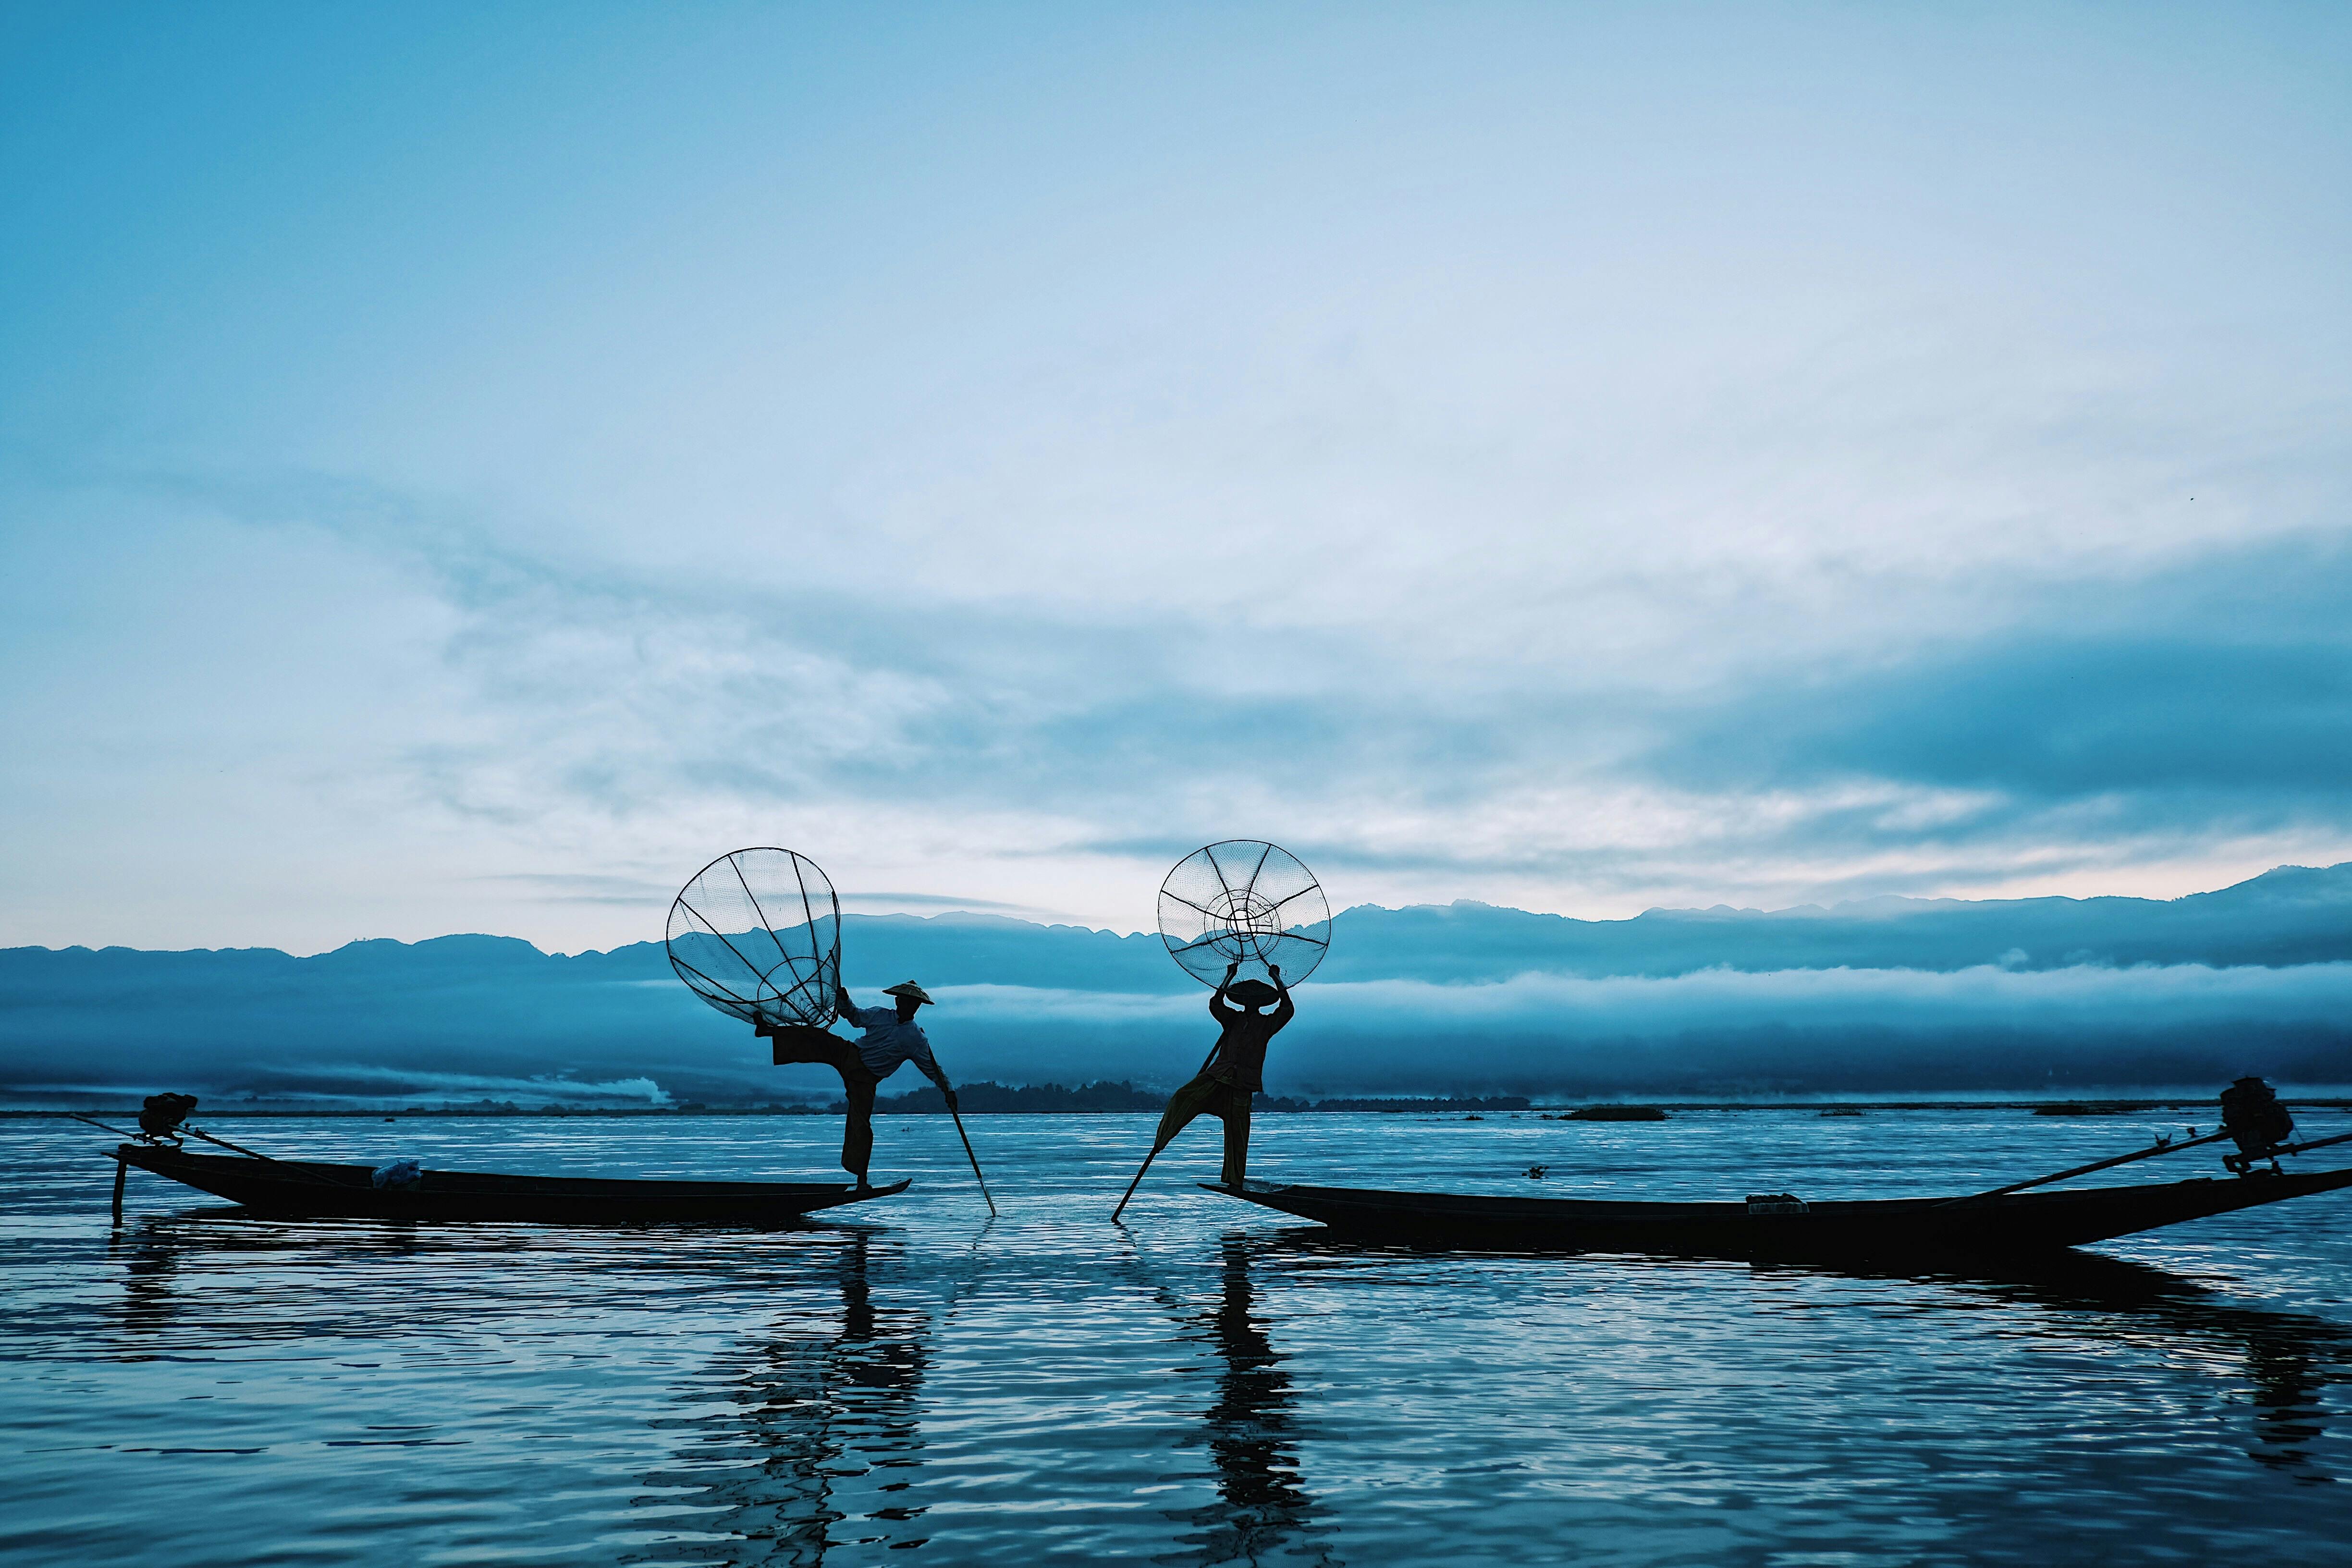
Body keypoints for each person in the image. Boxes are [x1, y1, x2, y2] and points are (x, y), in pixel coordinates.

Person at [758, 980, 958, 1188]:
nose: (908, 1006)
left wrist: (949, 1091)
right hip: (850, 1055)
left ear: (917, 1007)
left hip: (866, 1079)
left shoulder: (916, 1039)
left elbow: (933, 1069)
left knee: (861, 1126)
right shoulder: (880, 1015)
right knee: (818, 1037)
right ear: (898, 1001)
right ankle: (769, 1031)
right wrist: (845, 1001)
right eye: (905, 1001)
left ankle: (861, 1180)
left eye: (913, 1004)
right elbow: (855, 1017)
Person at [1149, 961, 1295, 1187]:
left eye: (1254, 1002)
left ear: (1260, 1004)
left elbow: (1288, 1010)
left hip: (1242, 1085)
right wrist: (1229, 977)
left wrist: (1276, 978)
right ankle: (1161, 1141)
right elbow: (1215, 1004)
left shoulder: (1267, 1025)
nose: (1250, 1005)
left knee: (1238, 1136)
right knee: (1183, 1098)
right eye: (1247, 1001)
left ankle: (1234, 1178)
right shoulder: (1233, 1019)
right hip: (1216, 1078)